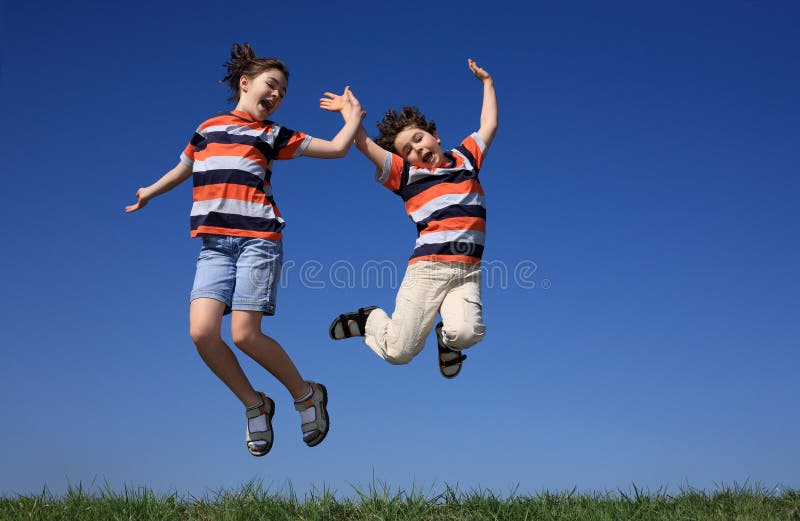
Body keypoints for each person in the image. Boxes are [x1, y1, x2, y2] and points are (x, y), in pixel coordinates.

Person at [125, 43, 364, 456]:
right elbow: (183, 169)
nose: (276, 95)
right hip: (214, 246)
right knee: (201, 332)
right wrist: (150, 191)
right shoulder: (207, 129)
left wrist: (351, 116)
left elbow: (337, 149)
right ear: (246, 82)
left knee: (245, 335)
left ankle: (306, 395)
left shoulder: (273, 134)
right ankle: (256, 404)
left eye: (282, 92)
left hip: (259, 241)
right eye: (271, 85)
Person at [321, 58, 497, 379]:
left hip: (467, 271)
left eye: (418, 139)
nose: (416, 149)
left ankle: (447, 342)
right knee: (400, 353)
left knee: (467, 333)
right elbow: (365, 145)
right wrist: (350, 116)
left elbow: (489, 125)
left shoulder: (466, 158)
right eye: (407, 150)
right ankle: (371, 319)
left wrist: (487, 83)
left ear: (435, 136)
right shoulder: (407, 176)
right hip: (428, 270)